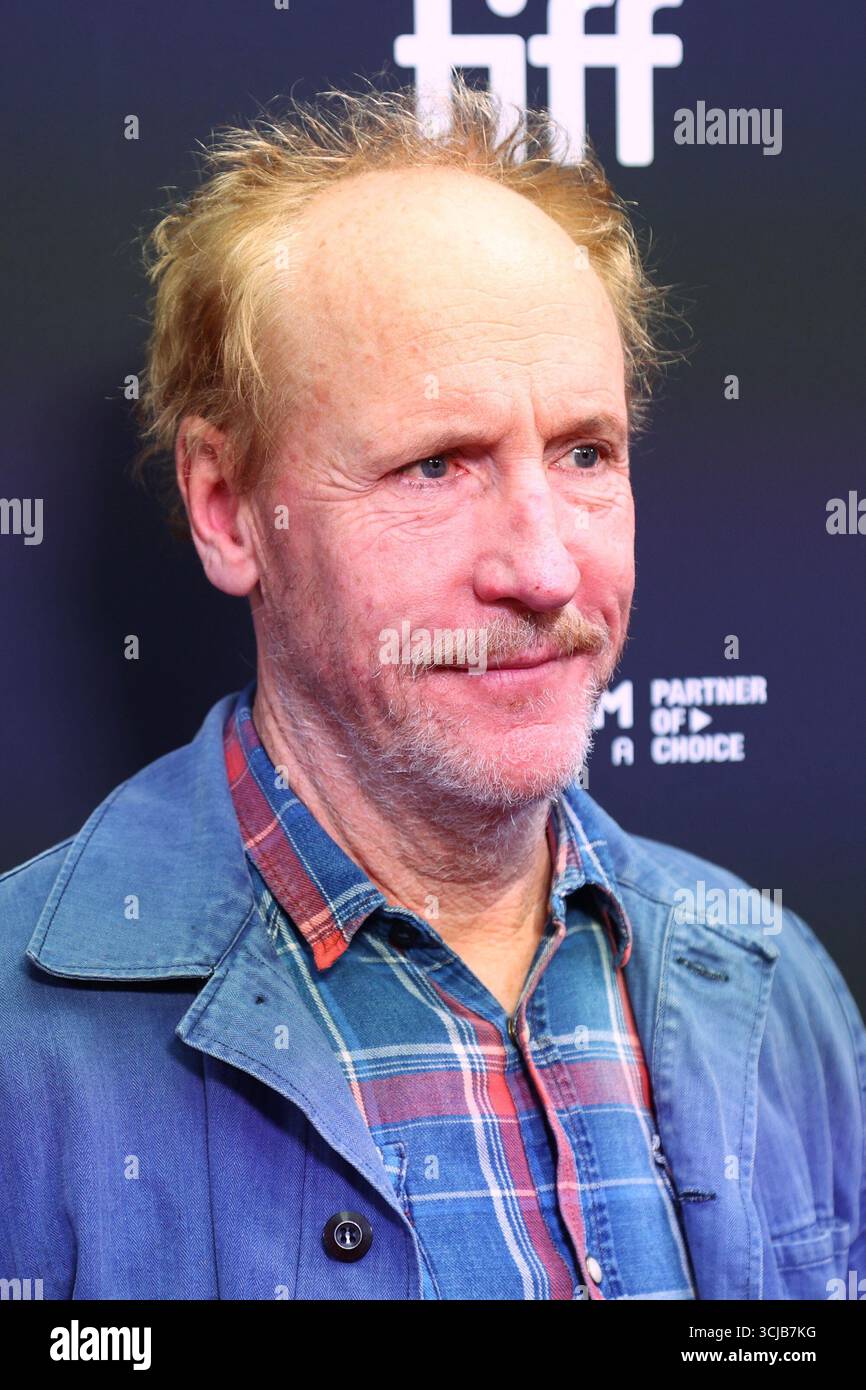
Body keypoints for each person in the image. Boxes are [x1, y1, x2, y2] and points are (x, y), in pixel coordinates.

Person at [1, 77, 863, 1301]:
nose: (545, 565)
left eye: (583, 453)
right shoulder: (21, 1053)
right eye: (434, 465)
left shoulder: (777, 990)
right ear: (226, 506)